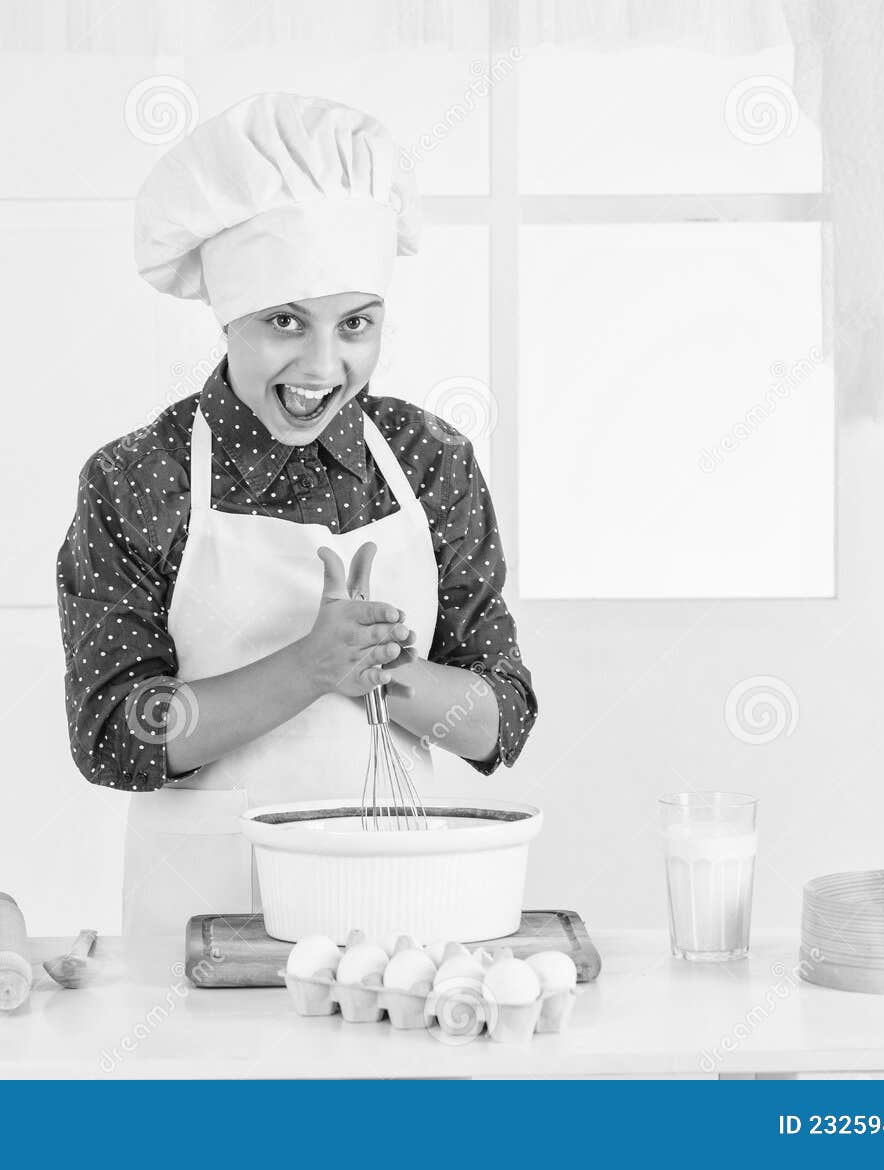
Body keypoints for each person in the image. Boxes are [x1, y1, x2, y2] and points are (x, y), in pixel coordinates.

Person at [56, 93, 537, 942]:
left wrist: (382, 671)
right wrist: (309, 667)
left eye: (356, 324)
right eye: (285, 322)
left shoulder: (430, 460)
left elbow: (498, 722)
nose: (323, 365)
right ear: (228, 316)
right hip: (204, 935)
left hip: (394, 928)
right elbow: (115, 736)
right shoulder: (137, 478)